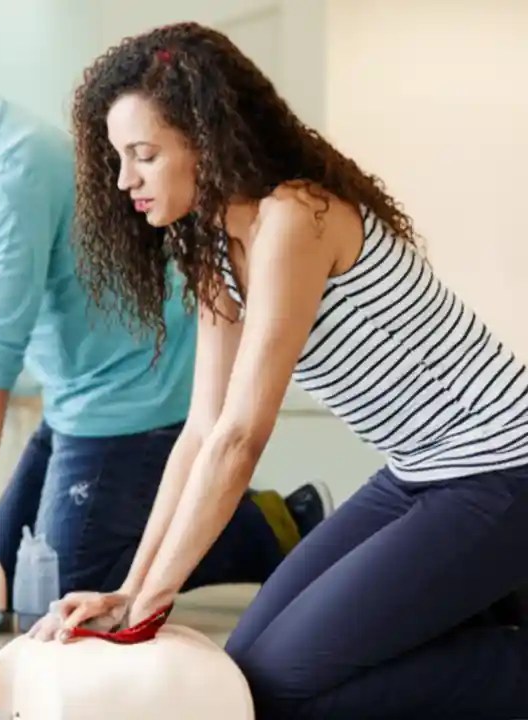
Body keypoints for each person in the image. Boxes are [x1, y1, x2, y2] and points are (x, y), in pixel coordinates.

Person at [36, 21, 528, 719]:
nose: (124, 181)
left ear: (204, 140)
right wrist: (130, 590)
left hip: (502, 468)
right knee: (248, 667)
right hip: (419, 472)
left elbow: (240, 437)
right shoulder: (209, 244)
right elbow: (201, 431)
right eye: (118, 158)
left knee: (281, 685)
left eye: (142, 155)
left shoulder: (294, 217)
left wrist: (148, 610)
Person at [0, 15, 327, 603]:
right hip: (75, 396)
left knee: (56, 588)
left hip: (131, 394)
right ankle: (175, 507)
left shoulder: (9, 170)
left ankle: (273, 526)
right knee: (7, 575)